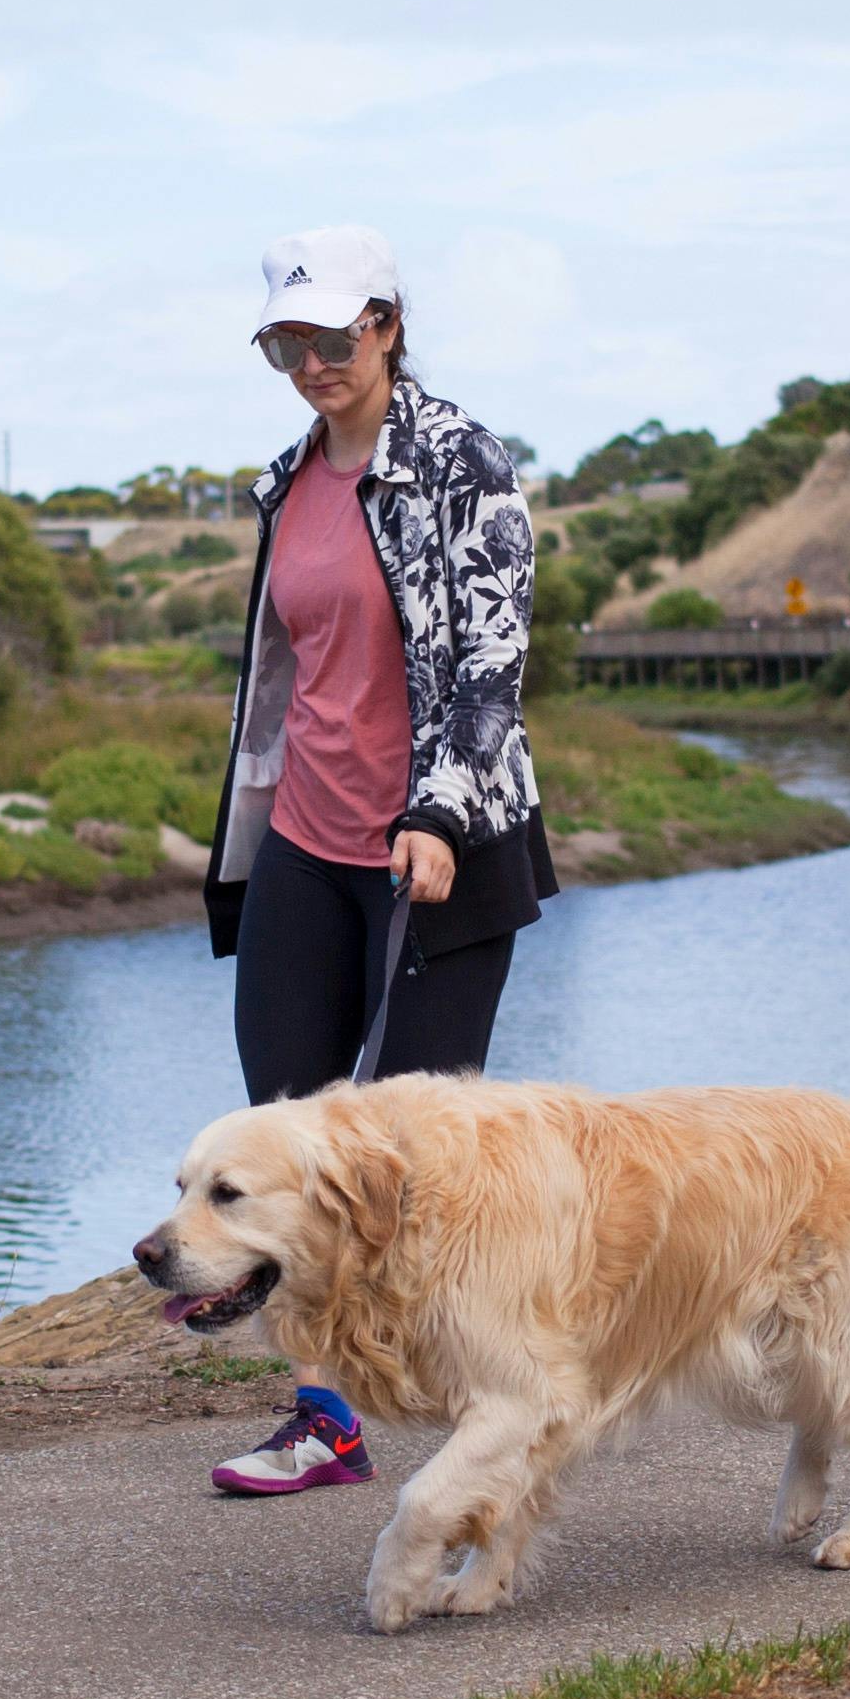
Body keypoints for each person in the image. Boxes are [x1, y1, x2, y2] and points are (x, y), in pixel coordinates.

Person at [195, 224, 551, 1499]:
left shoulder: (462, 460)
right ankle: (326, 1417)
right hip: (303, 837)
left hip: (437, 849)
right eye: (287, 344)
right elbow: (291, 671)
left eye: (334, 337)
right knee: (287, 1141)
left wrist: (441, 814)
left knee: (416, 1157)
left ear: (388, 326)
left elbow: (492, 659)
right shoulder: (287, 481)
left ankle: (491, 1397)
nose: (313, 364)